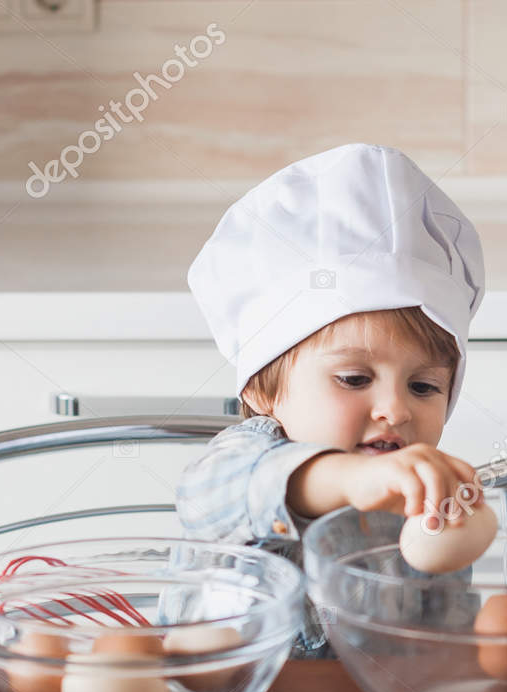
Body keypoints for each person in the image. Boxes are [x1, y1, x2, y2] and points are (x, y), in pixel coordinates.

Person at [173, 144, 487, 656]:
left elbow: (438, 648)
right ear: (260, 389)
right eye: (354, 379)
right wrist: (355, 479)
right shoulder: (240, 459)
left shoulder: (420, 500)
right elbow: (208, 495)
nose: (396, 409)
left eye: (423, 387)